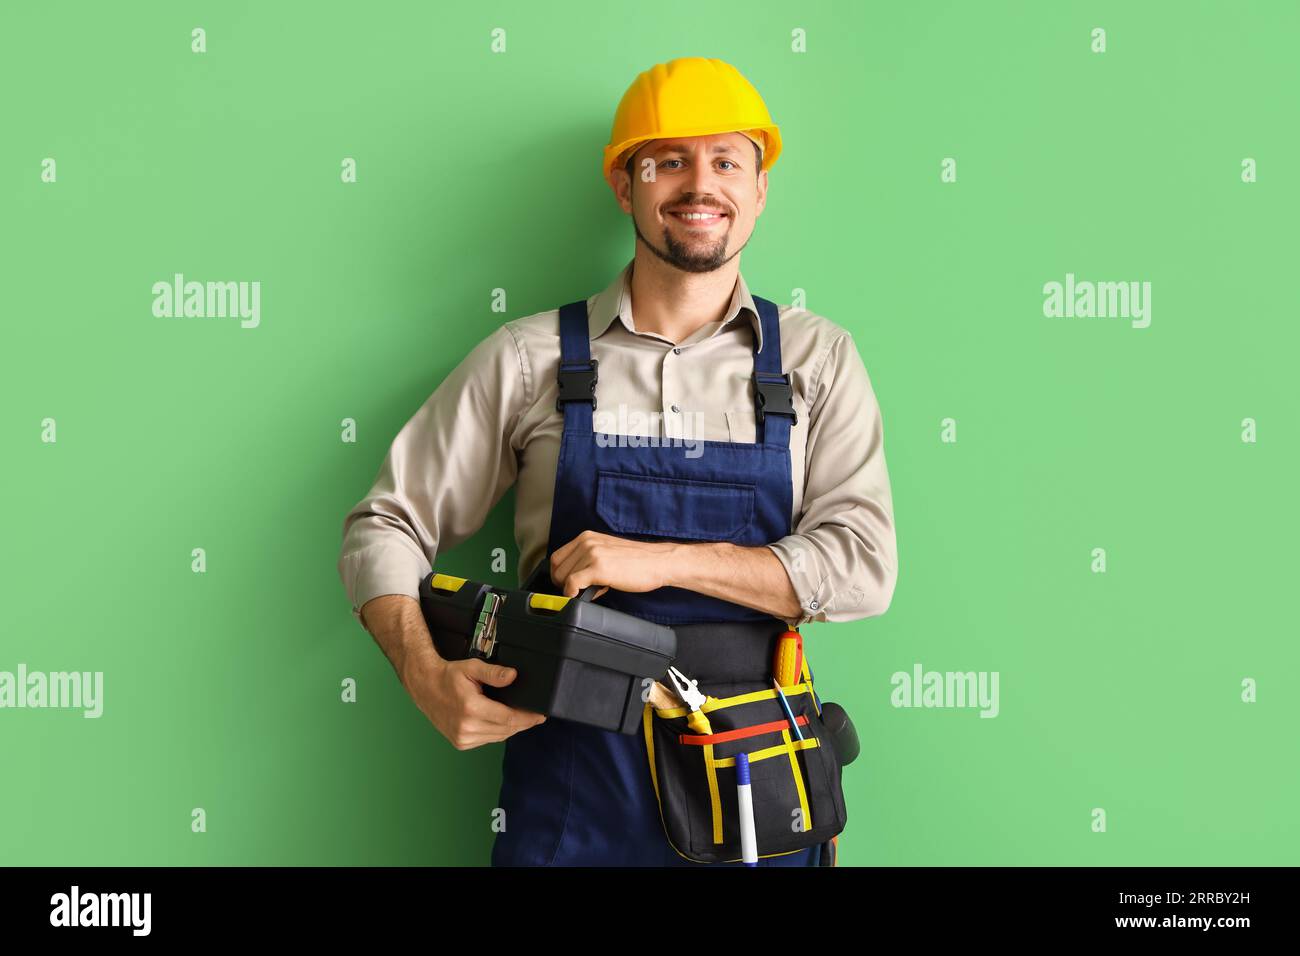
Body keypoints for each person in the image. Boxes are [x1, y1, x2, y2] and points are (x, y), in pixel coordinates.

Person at [337, 56, 898, 866]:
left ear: (760, 187)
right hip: (572, 795)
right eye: (667, 160)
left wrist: (656, 559)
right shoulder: (528, 360)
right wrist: (421, 669)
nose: (699, 184)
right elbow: (384, 523)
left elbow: (863, 569)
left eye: (726, 160)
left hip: (756, 791)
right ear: (623, 184)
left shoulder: (819, 360)